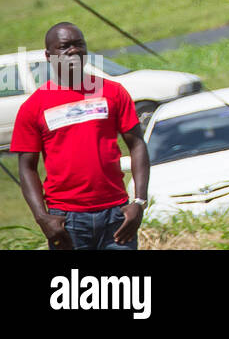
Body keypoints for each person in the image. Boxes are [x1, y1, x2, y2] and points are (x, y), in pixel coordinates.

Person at [10, 22, 150, 250]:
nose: (73, 51)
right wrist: (43, 218)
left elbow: (137, 145)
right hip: (67, 222)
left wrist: (139, 202)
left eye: (79, 45)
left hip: (117, 216)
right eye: (65, 47)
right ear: (49, 56)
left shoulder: (114, 92)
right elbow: (27, 167)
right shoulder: (33, 107)